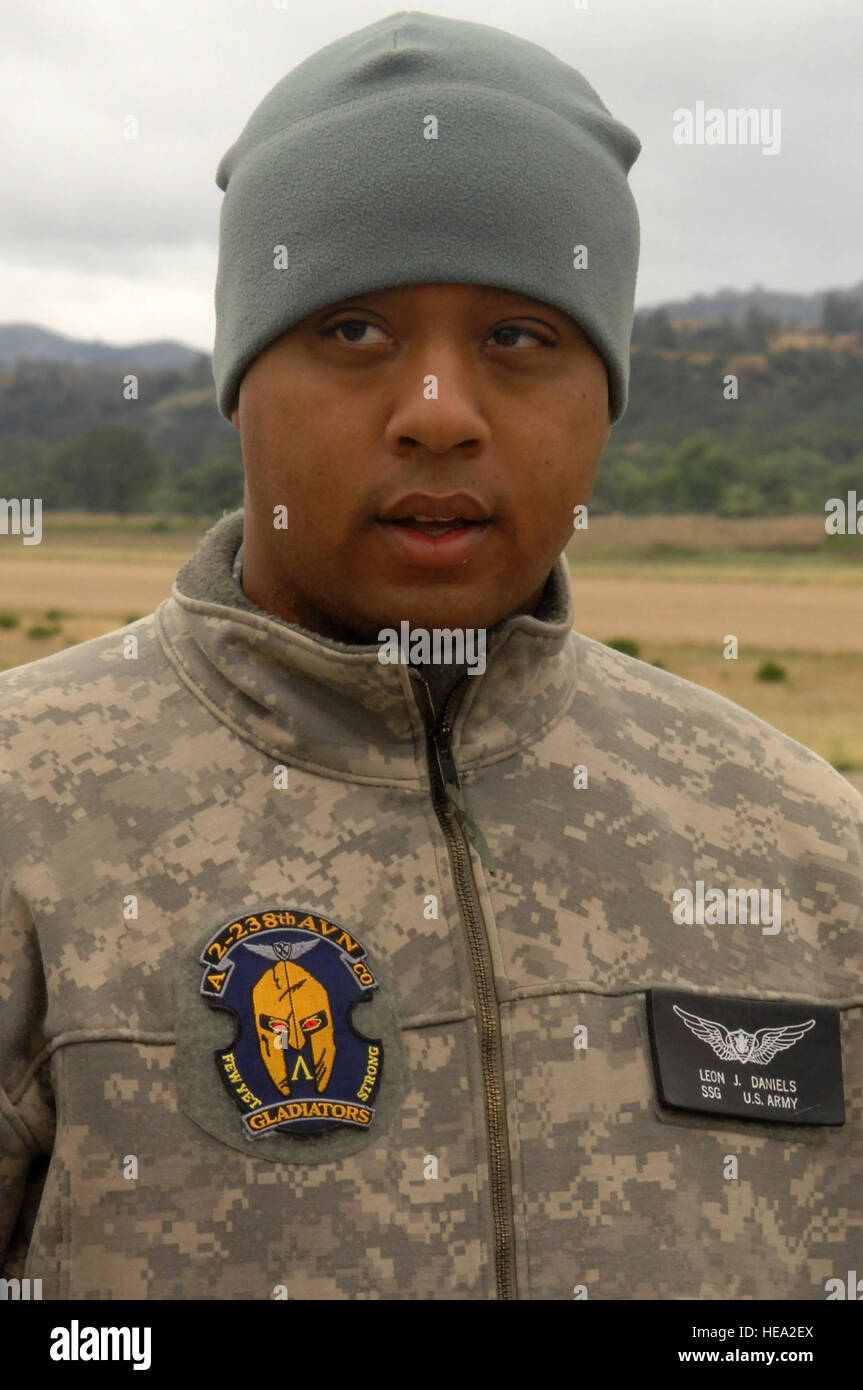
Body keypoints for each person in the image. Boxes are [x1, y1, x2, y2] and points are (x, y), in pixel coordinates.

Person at [1, 10, 861, 1303]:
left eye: (522, 337)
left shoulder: (809, 855)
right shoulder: (25, 823)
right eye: (352, 330)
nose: (440, 414)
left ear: (606, 396)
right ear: (243, 378)